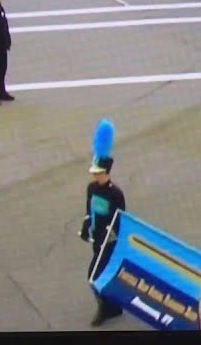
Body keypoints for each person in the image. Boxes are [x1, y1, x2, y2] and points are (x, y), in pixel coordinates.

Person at [81, 119, 126, 327]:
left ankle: (105, 308)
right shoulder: (91, 189)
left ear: (106, 172)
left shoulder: (116, 194)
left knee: (94, 275)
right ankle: (113, 306)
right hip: (96, 238)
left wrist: (113, 236)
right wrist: (86, 226)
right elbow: (88, 211)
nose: (95, 175)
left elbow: (121, 218)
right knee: (102, 274)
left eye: (98, 173)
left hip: (109, 242)